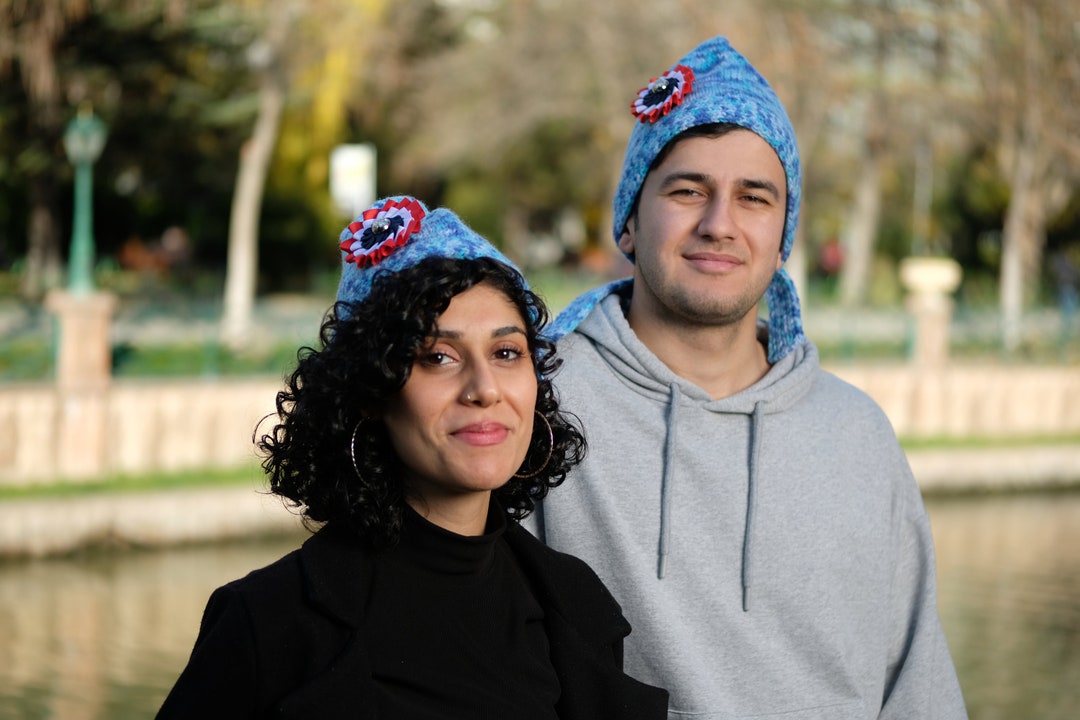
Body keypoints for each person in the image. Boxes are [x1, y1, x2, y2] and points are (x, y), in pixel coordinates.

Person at [527, 37, 968, 719]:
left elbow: (917, 685)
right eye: (687, 190)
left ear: (783, 232)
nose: (718, 224)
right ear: (630, 223)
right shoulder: (539, 406)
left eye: (754, 198)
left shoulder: (857, 435)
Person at [157, 196, 668, 719]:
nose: (484, 389)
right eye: (438, 357)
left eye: (507, 353)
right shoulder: (268, 623)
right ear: (372, 394)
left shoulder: (577, 606)